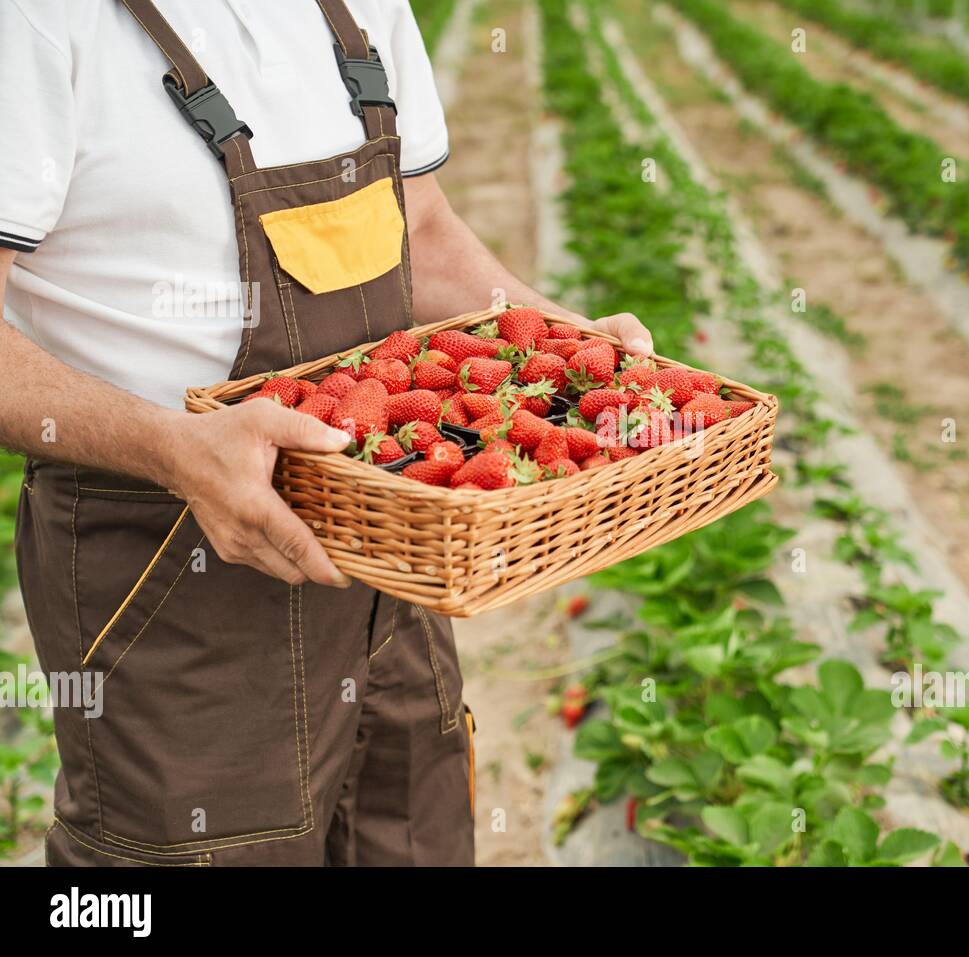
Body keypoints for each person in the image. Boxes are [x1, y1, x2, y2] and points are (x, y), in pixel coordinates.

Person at [0, 0, 652, 866]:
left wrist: (572, 342)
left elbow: (420, 233)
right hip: (173, 570)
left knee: (410, 833)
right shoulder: (39, 23)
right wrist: (177, 448)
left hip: (389, 538)